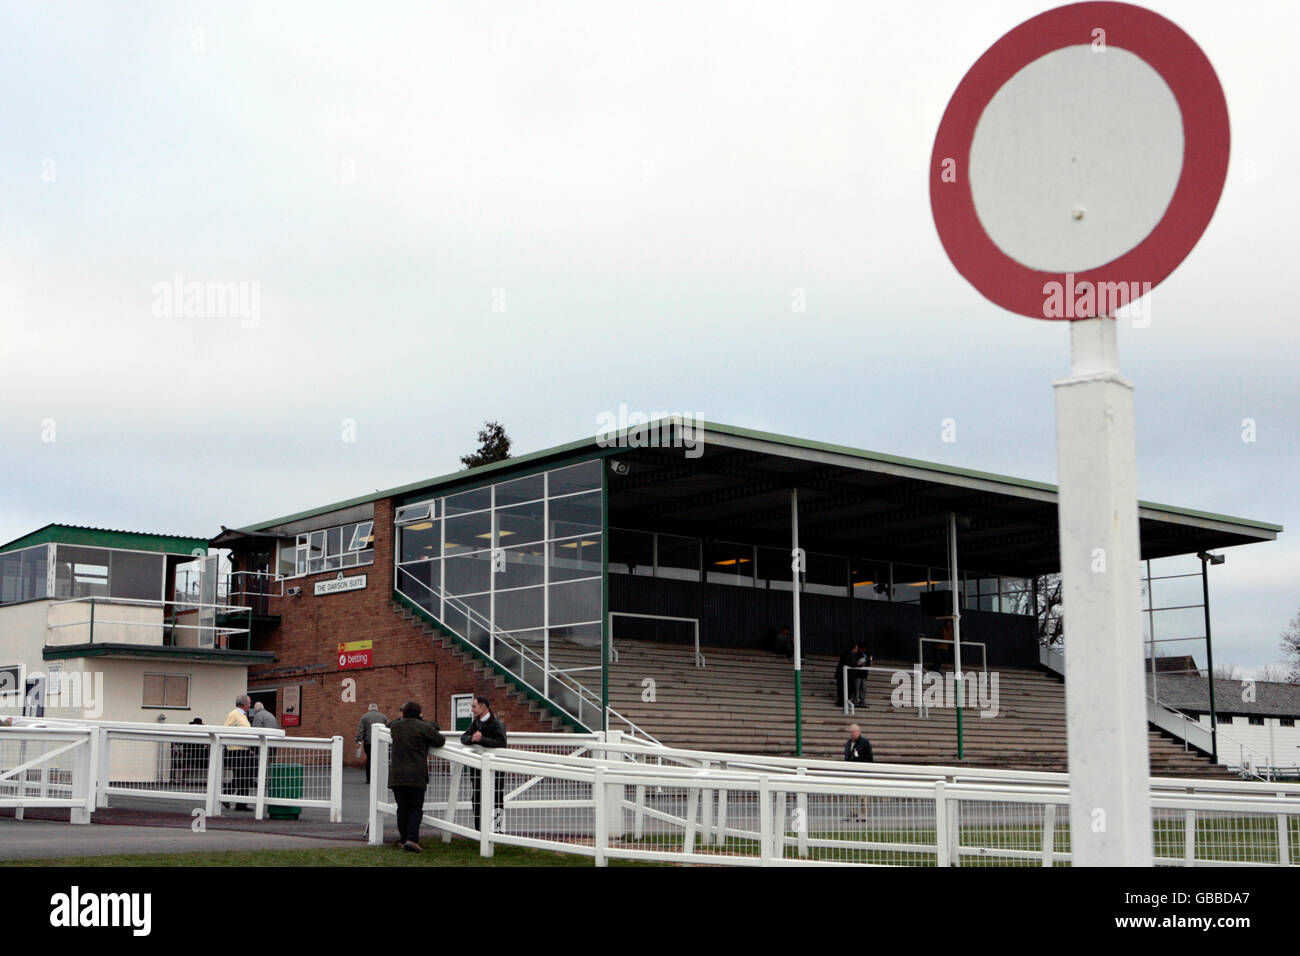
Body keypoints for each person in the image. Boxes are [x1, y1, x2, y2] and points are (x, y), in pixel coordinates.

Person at [386, 701, 446, 852]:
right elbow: (440, 740)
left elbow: (390, 723)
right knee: (415, 809)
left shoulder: (396, 726)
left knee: (402, 808)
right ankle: (412, 839)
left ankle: (403, 839)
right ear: (419, 713)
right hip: (416, 775)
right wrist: (424, 722)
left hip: (397, 775)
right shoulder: (423, 727)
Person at [460, 696, 507, 831]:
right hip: (478, 768)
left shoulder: (497, 723)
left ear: (483, 707)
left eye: (474, 706)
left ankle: (498, 830)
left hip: (495, 768)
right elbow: (464, 737)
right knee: (477, 797)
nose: (472, 709)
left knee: (496, 798)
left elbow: (501, 743)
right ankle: (479, 830)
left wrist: (482, 739)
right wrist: (472, 738)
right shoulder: (475, 723)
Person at [223, 693, 255, 810]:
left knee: (246, 776)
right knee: (242, 776)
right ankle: (226, 794)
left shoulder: (242, 715)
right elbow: (226, 729)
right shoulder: (234, 714)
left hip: (244, 749)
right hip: (236, 750)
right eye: (249, 703)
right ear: (244, 704)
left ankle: (241, 803)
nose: (250, 705)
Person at [843, 723, 874, 821]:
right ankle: (852, 813)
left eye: (853, 732)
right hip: (850, 773)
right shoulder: (848, 743)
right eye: (850, 732)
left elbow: (870, 758)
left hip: (861, 773)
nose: (852, 734)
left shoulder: (865, 742)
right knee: (849, 795)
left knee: (863, 796)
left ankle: (863, 815)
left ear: (858, 732)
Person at [356, 703, 389, 785]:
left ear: (369, 708)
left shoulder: (364, 717)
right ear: (377, 709)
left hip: (368, 742)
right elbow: (388, 728)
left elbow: (361, 729)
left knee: (369, 760)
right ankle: (380, 778)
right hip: (381, 742)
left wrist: (358, 740)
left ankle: (369, 779)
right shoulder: (383, 717)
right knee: (380, 760)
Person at [834, 642, 861, 707]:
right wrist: (857, 664)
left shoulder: (852, 655)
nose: (857, 650)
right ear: (853, 648)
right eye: (856, 648)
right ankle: (841, 702)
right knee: (842, 689)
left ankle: (844, 701)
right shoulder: (847, 654)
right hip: (843, 675)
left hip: (848, 676)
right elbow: (847, 663)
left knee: (848, 689)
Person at [850, 643, 874, 707]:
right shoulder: (856, 654)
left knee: (863, 688)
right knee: (857, 687)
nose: (863, 650)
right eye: (862, 648)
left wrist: (868, 661)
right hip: (857, 674)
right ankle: (856, 701)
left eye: (864, 649)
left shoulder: (867, 654)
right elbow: (856, 662)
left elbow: (869, 661)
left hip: (864, 674)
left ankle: (862, 701)